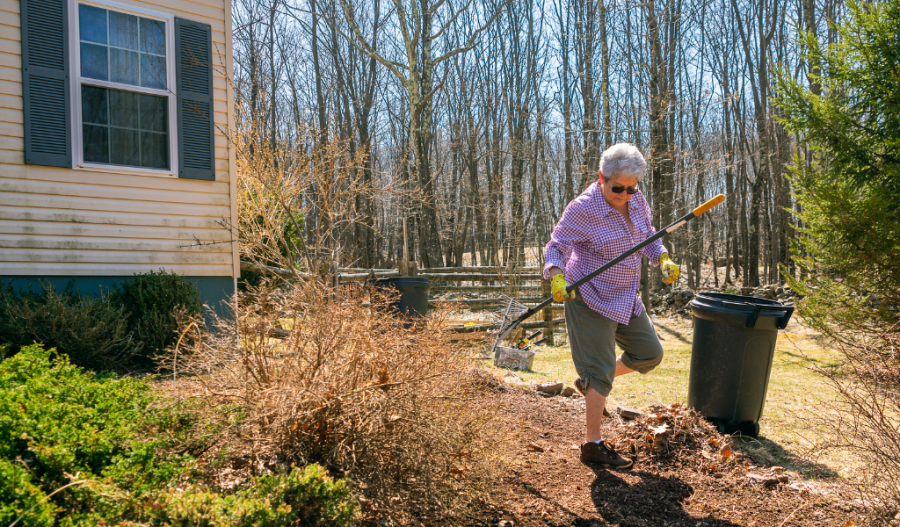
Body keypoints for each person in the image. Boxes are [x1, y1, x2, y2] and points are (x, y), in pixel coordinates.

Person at [543, 143, 679, 469]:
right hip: (588, 296)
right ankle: (593, 445)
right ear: (601, 177)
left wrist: (662, 258)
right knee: (599, 373)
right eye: (618, 187)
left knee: (649, 354)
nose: (625, 194)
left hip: (624, 295)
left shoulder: (636, 201)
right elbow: (556, 245)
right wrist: (557, 277)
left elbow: (648, 235)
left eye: (632, 188)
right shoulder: (583, 209)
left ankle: (591, 382)